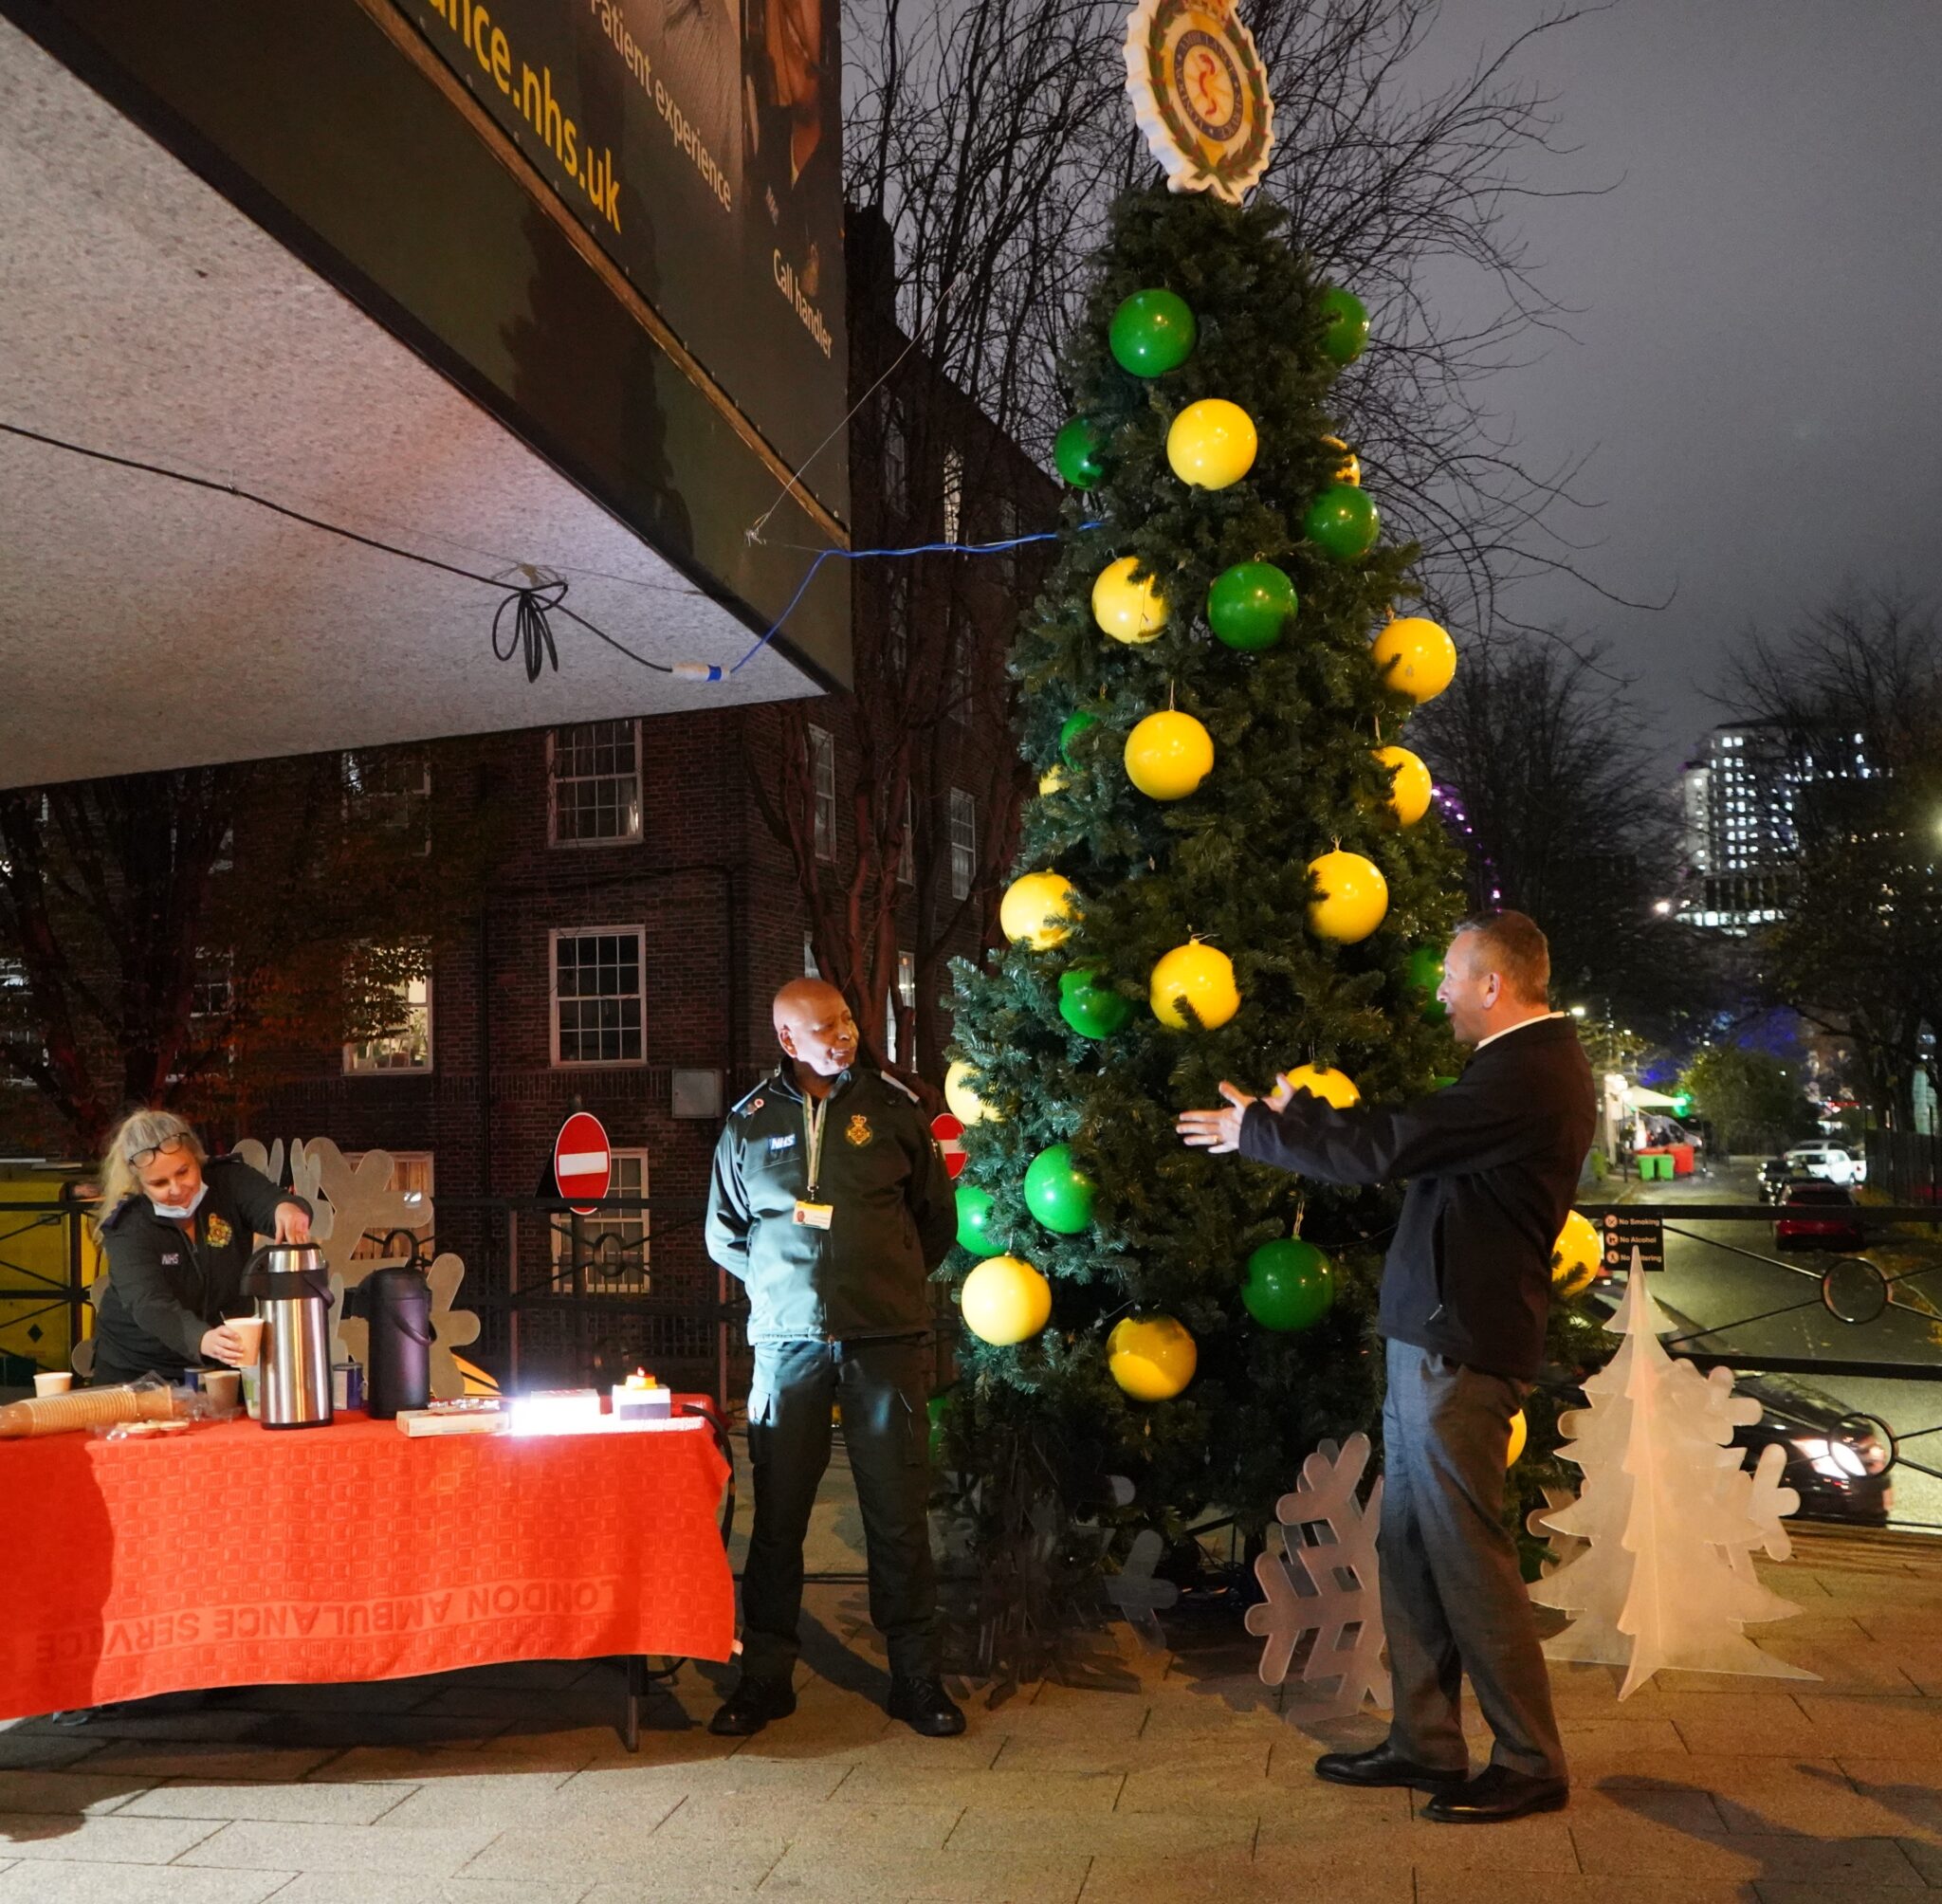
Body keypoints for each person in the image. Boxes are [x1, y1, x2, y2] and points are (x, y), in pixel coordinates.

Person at [1178, 911, 1594, 1824]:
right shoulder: (1515, 1069)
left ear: (1494, 983)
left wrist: (1261, 1132)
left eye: (1451, 973)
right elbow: (1415, 1137)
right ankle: (1427, 1742)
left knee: (1465, 1554)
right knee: (1409, 1547)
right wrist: (1306, 1119)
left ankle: (1530, 1760)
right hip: (1438, 1336)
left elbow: (1396, 1145)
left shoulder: (1529, 1070)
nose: (1438, 988)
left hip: (1462, 1347)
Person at [704, 979, 962, 1738]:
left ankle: (916, 1680)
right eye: (825, 1028)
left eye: (847, 1021)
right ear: (788, 1039)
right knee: (778, 1520)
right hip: (787, 1351)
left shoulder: (893, 1110)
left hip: (885, 1346)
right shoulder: (747, 1124)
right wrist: (788, 1289)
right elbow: (724, 1232)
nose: (844, 1035)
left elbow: (933, 1223)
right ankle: (766, 1679)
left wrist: (875, 1285)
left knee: (897, 1515)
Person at [91, 1109, 313, 1387]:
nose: (176, 1188)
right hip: (137, 1368)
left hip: (221, 1363)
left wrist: (288, 1211)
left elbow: (271, 1201)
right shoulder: (128, 1226)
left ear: (197, 1158)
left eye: (183, 1171)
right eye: (159, 1183)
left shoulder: (228, 1181)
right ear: (138, 1185)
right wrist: (201, 1338)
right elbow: (148, 1303)